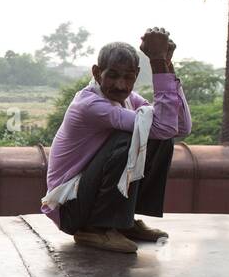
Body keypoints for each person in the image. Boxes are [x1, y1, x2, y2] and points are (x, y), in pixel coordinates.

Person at [42, 28, 191, 253]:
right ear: (96, 72)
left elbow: (177, 128)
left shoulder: (130, 99)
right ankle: (97, 229)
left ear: (136, 74)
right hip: (70, 208)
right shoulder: (90, 105)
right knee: (133, 133)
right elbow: (163, 126)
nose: (120, 85)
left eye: (128, 77)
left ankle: (123, 222)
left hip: (87, 196)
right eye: (112, 76)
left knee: (157, 136)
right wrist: (157, 63)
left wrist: (166, 65)